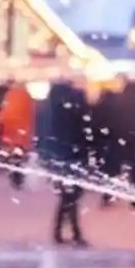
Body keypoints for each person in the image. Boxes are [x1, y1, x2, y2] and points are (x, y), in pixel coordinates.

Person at [44, 81, 92, 245]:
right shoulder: (72, 110)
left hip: (59, 158)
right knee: (70, 197)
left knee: (68, 197)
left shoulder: (51, 110)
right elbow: (80, 134)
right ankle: (72, 233)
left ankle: (64, 232)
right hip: (72, 158)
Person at [98, 79, 135, 208]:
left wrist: (108, 135)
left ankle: (108, 196)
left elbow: (107, 120)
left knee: (113, 170)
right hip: (132, 142)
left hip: (116, 141)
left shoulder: (117, 103)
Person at [0, 84, 35, 190]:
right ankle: (18, 176)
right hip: (23, 132)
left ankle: (16, 176)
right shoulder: (27, 98)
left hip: (11, 132)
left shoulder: (10, 97)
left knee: (14, 155)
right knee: (20, 155)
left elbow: (4, 115)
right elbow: (32, 115)